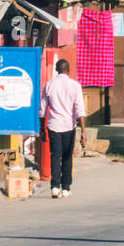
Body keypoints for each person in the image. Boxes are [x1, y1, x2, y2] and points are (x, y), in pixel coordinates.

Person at [40, 58, 86, 198]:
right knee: (67, 157)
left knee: (55, 155)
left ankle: (55, 187)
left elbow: (42, 110)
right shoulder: (75, 85)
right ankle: (66, 188)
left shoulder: (49, 85)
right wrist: (83, 132)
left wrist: (42, 129)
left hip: (53, 125)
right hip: (69, 126)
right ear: (69, 70)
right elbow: (80, 110)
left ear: (56, 70)